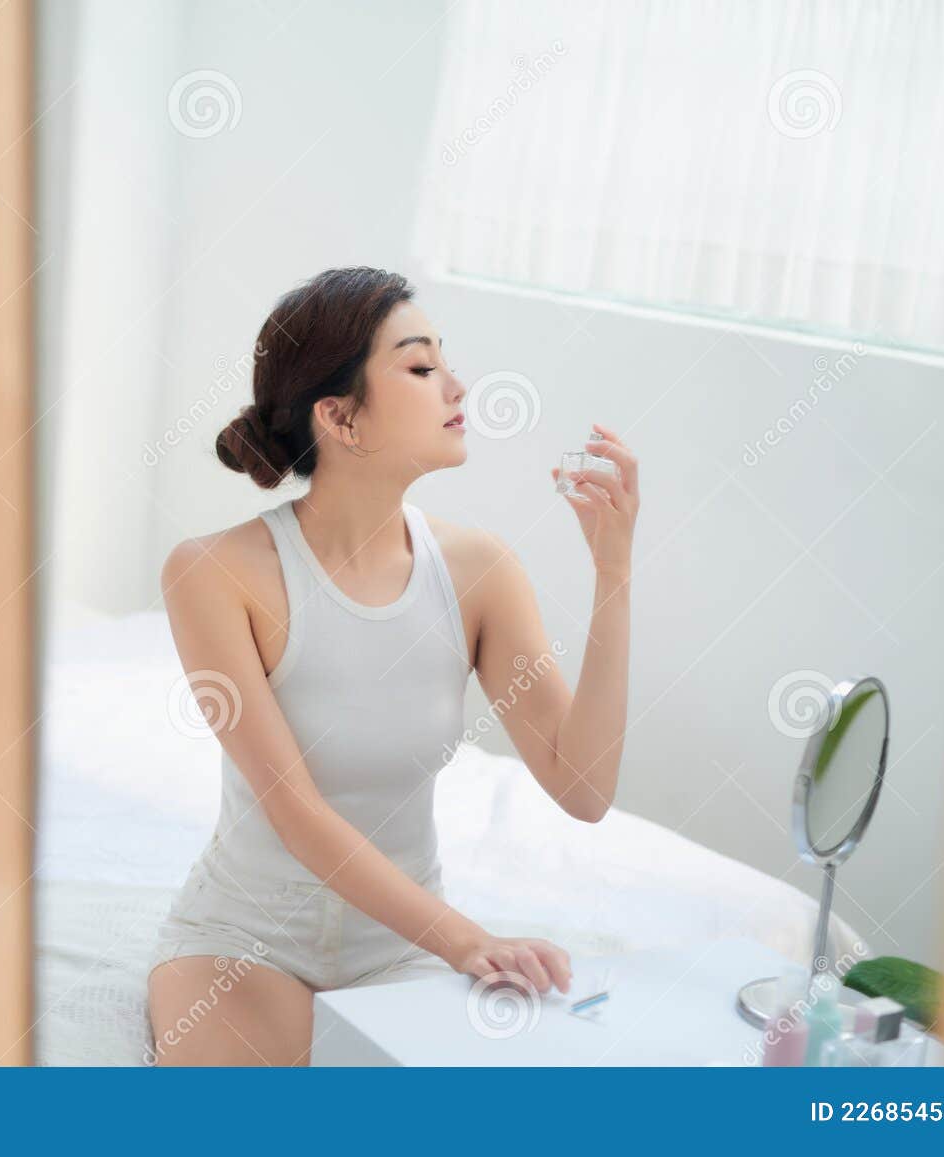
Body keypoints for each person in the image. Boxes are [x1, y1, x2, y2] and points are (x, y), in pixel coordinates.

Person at [145, 266, 639, 1065]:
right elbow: (295, 811)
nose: (457, 385)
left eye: (445, 360)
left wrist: (613, 575)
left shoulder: (479, 571)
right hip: (244, 942)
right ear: (340, 416)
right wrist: (468, 941)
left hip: (400, 952)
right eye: (420, 366)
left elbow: (583, 788)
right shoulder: (213, 572)